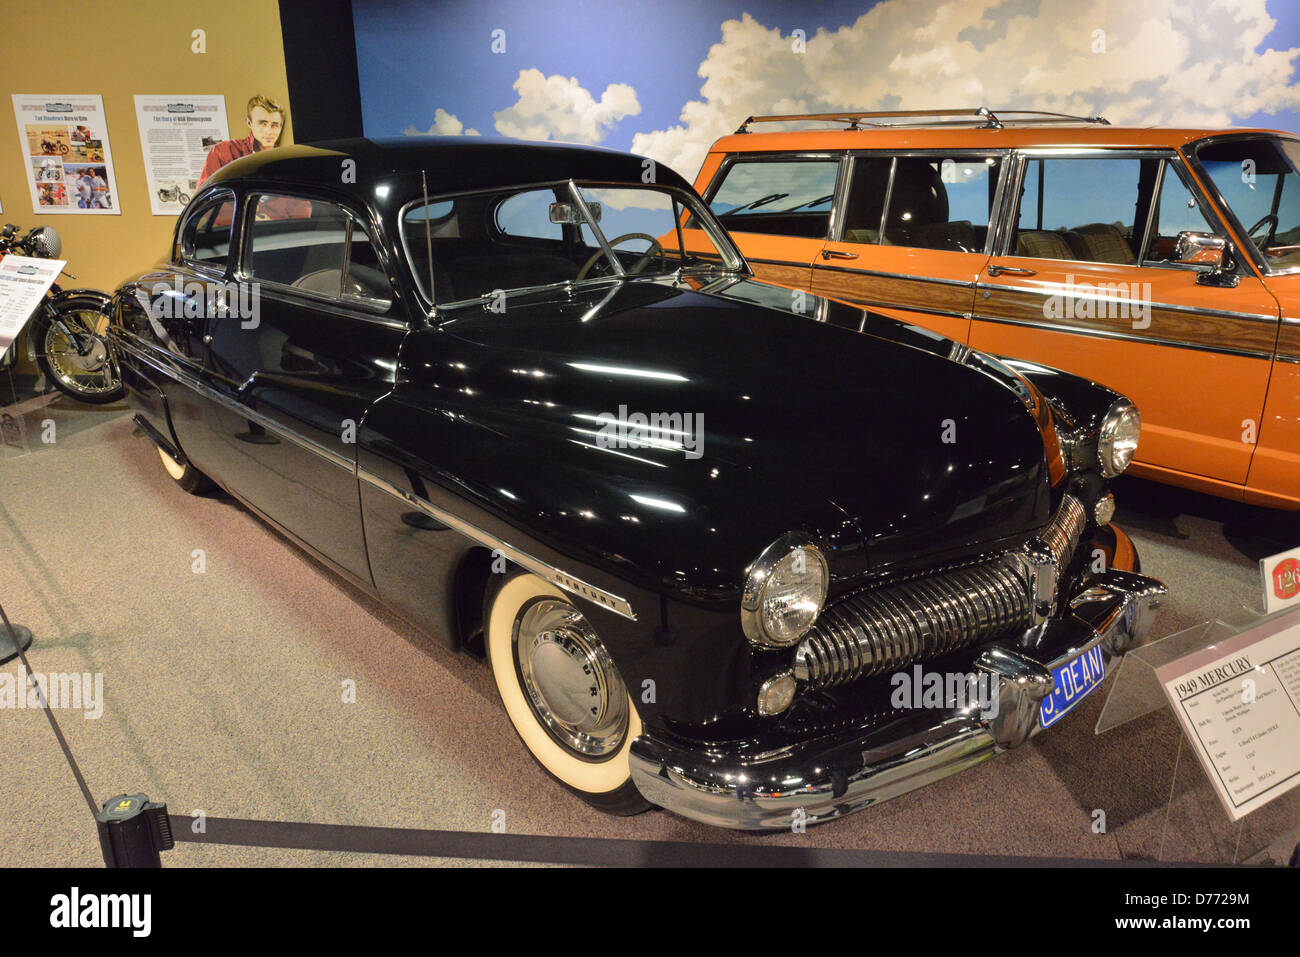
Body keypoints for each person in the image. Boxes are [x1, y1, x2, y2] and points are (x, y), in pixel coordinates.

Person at [198, 94, 286, 186]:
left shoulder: (285, 162)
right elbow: (206, 195)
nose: (268, 131)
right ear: (249, 123)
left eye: (274, 125)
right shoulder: (223, 152)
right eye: (263, 124)